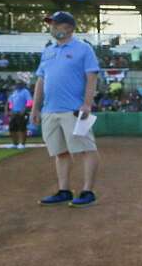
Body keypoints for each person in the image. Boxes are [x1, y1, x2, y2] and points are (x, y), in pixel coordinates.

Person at [33, 11, 100, 208]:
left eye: (56, 24)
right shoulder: (48, 50)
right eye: (51, 24)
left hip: (74, 110)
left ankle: (88, 191)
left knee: (87, 149)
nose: (52, 27)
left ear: (69, 27)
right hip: (49, 110)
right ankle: (64, 191)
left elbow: (92, 77)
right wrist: (35, 108)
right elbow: (40, 81)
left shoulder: (83, 48)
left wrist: (87, 104)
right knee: (60, 152)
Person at [6, 80, 31, 149]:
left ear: (22, 85)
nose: (18, 85)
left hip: (21, 113)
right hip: (14, 113)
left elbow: (29, 101)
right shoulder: (14, 92)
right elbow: (10, 102)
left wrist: (24, 109)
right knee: (12, 128)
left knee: (22, 128)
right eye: (17, 84)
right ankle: (14, 143)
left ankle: (22, 143)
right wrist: (10, 110)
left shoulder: (25, 91)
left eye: (19, 84)